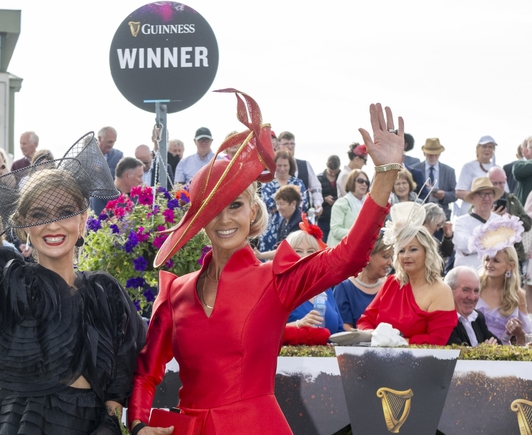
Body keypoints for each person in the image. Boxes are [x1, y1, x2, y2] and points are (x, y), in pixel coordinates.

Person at [128, 94, 400, 435]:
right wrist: (138, 425)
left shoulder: (275, 279)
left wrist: (385, 174)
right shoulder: (176, 292)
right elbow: (146, 372)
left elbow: (347, 258)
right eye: (213, 210)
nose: (224, 219)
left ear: (253, 211)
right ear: (199, 219)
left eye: (235, 205)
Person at [0, 132, 145, 434]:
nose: (53, 224)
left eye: (65, 212)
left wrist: (112, 423)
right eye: (39, 215)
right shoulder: (5, 286)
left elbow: (119, 383)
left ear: (83, 220)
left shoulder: (105, 293)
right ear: (22, 226)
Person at [356, 204, 457, 345]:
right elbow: (365, 321)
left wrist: (398, 342)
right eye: (402, 251)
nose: (406, 256)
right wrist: (373, 336)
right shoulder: (391, 283)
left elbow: (437, 341)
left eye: (413, 249)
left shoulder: (441, 290)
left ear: (427, 252)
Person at [472, 218, 531, 345]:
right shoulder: (474, 287)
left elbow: (527, 334)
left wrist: (518, 331)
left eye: (496, 261)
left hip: (504, 355)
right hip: (472, 351)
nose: (489, 264)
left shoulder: (517, 294)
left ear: (510, 266)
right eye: (487, 259)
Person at [284, 229, 345, 336]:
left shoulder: (325, 287)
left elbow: (339, 330)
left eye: (310, 251)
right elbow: (264, 331)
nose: (305, 256)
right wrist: (298, 324)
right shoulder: (280, 289)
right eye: (298, 251)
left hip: (329, 352)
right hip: (290, 352)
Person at [334, 234, 392, 331]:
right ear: (368, 256)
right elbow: (344, 326)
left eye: (391, 257)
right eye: (385, 256)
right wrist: (369, 337)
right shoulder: (344, 287)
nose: (390, 262)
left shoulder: (391, 285)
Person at [258, 150, 307, 253]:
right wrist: (288, 203)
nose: (282, 169)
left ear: (290, 166)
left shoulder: (298, 182)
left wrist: (278, 206)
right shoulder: (268, 184)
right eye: (279, 165)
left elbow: (303, 205)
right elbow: (267, 206)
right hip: (270, 231)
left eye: (285, 165)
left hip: (292, 227)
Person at [453, 177, 502, 270]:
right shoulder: (461, 222)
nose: (487, 198)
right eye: (482, 194)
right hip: (468, 278)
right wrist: (496, 241)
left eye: (490, 194)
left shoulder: (500, 221)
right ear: (472, 198)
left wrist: (477, 245)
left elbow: (507, 247)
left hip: (494, 277)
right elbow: (466, 245)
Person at [445, 266, 498, 346]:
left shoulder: (477, 317)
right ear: (449, 290)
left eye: (476, 291)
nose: (472, 297)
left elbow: (498, 344)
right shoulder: (444, 321)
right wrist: (485, 351)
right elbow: (459, 355)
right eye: (466, 290)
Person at [275, 131, 323, 217]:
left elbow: (315, 187)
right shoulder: (274, 167)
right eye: (286, 144)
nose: (289, 147)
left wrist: (317, 203)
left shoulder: (305, 164)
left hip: (300, 217)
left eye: (292, 144)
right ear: (278, 145)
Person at [412, 138, 457, 220]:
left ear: (440, 153)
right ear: (424, 153)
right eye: (430, 154)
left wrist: (444, 195)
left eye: (435, 154)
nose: (433, 157)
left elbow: (455, 194)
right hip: (419, 215)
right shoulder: (414, 170)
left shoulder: (449, 171)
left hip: (441, 216)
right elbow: (409, 192)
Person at [455, 135, 500, 216]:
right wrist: (480, 198)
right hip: (470, 213)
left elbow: (504, 191)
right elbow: (459, 192)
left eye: (490, 147)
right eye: (484, 146)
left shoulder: (497, 168)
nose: (487, 149)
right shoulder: (468, 167)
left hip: (491, 214)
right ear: (477, 149)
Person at [257, 184, 303, 259]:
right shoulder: (283, 220)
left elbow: (287, 250)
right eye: (277, 204)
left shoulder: (300, 223)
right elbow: (278, 246)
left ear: (293, 203)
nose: (278, 208)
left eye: (281, 204)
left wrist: (260, 255)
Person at [328, 169, 370, 246]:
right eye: (360, 181)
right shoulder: (341, 203)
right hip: (341, 249)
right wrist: (359, 234)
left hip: (361, 248)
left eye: (367, 182)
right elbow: (335, 230)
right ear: (351, 182)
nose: (364, 184)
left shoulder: (369, 204)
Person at [317, 155, 340, 241]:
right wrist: (324, 199)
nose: (333, 174)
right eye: (331, 172)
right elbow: (314, 197)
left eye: (335, 172)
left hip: (337, 216)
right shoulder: (319, 178)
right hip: (324, 217)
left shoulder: (343, 176)